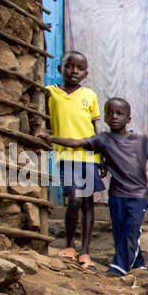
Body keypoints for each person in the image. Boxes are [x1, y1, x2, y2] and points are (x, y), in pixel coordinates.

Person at [49, 97, 148, 277]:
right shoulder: (103, 139)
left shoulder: (140, 139)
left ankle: (118, 268)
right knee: (119, 230)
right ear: (105, 117)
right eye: (110, 113)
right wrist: (51, 138)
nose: (114, 116)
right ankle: (138, 263)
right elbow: (77, 143)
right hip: (116, 194)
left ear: (128, 118)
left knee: (132, 229)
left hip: (138, 194)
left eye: (119, 113)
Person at [46, 51, 106, 267]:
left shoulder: (89, 95)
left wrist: (103, 155)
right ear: (60, 69)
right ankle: (70, 245)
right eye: (69, 66)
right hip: (66, 155)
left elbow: (95, 127)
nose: (74, 71)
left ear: (86, 73)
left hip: (89, 156)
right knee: (74, 199)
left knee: (88, 202)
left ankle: (85, 251)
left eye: (79, 68)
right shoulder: (50, 93)